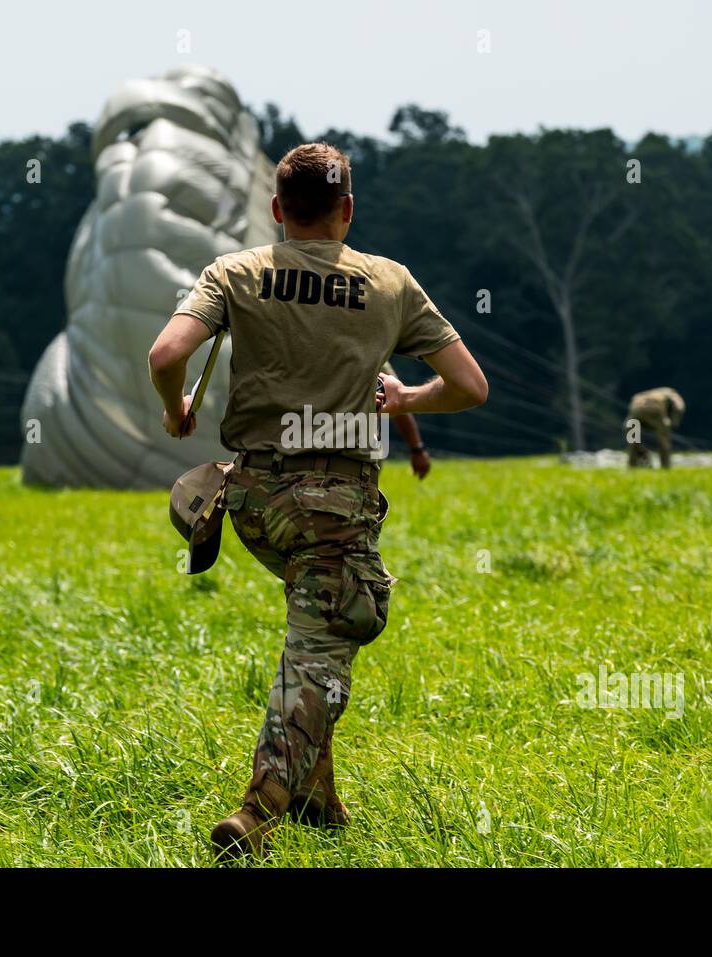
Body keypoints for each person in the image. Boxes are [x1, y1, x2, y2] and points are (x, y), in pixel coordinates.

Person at [148, 142, 487, 858]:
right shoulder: (389, 282)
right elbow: (469, 385)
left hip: (255, 501)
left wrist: (177, 408)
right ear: (348, 209)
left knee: (321, 621)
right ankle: (260, 806)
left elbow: (163, 353)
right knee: (326, 640)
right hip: (334, 501)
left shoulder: (235, 272)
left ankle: (316, 799)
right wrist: (412, 396)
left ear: (278, 210)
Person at [382, 361, 431, 479]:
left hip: (361, 465)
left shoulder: (374, 356)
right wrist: (417, 449)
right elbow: (395, 400)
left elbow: (394, 400)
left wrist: (417, 449)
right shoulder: (372, 353)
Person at [625, 387, 685, 469]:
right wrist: (674, 422)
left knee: (633, 441)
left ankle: (632, 466)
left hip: (636, 409)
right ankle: (665, 466)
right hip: (654, 409)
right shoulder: (669, 392)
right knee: (663, 440)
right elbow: (679, 406)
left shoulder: (642, 394)